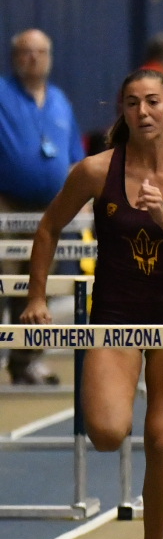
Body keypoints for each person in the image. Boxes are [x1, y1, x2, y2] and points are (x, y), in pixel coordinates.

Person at [23, 68, 163, 539]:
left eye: (153, 101)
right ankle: (120, 393)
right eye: (132, 103)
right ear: (123, 111)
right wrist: (37, 298)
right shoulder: (96, 172)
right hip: (115, 316)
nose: (143, 112)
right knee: (109, 433)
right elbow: (48, 227)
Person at [0, 29, 83, 384]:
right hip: (5, 206)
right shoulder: (2, 93)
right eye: (25, 52)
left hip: (50, 211)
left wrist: (79, 200)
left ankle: (26, 362)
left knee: (36, 285)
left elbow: (75, 156)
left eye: (40, 52)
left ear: (49, 57)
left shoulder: (61, 100)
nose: (32, 58)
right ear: (14, 57)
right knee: (3, 281)